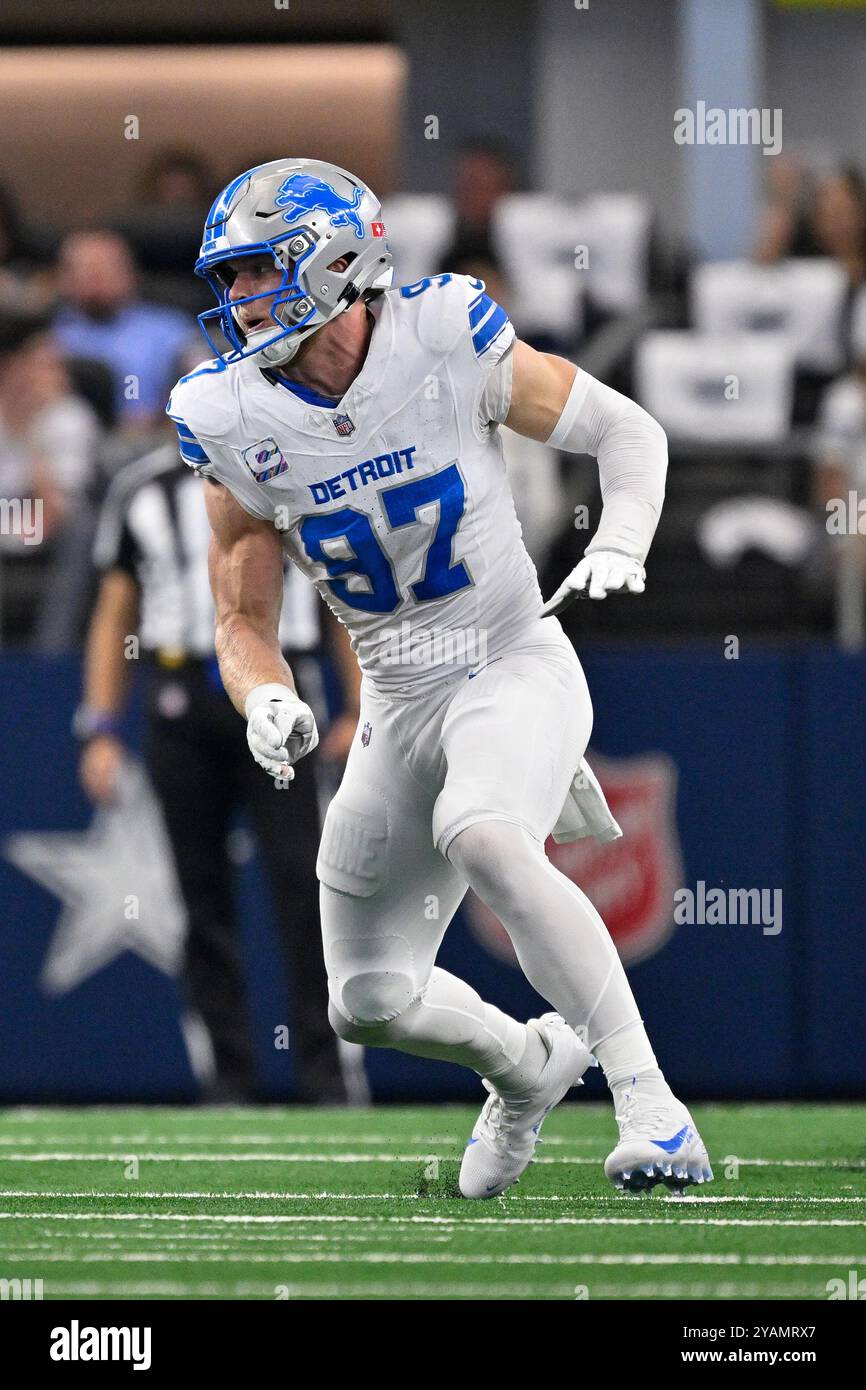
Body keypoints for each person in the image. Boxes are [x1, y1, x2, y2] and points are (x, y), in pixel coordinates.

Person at [167, 158, 712, 1197]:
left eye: (249, 274)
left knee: (484, 832)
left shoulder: (443, 333)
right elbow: (241, 617)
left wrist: (621, 542)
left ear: (331, 260)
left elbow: (622, 429)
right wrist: (264, 694)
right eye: (225, 281)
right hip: (396, 701)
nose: (232, 301)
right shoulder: (227, 416)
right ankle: (524, 1068)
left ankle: (651, 1105)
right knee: (362, 1001)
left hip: (508, 656)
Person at [79, 432, 361, 1103]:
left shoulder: (292, 473)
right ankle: (227, 1078)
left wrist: (357, 704)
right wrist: (99, 726)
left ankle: (328, 1077)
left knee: (306, 886)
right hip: (179, 697)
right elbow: (114, 610)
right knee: (198, 896)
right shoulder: (142, 489)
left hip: (281, 690)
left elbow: (341, 597)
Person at [53, 231, 196, 431]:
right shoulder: (49, 338)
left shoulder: (171, 329)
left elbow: (201, 389)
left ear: (129, 273)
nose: (93, 281)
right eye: (82, 270)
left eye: (103, 269)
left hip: (157, 438)